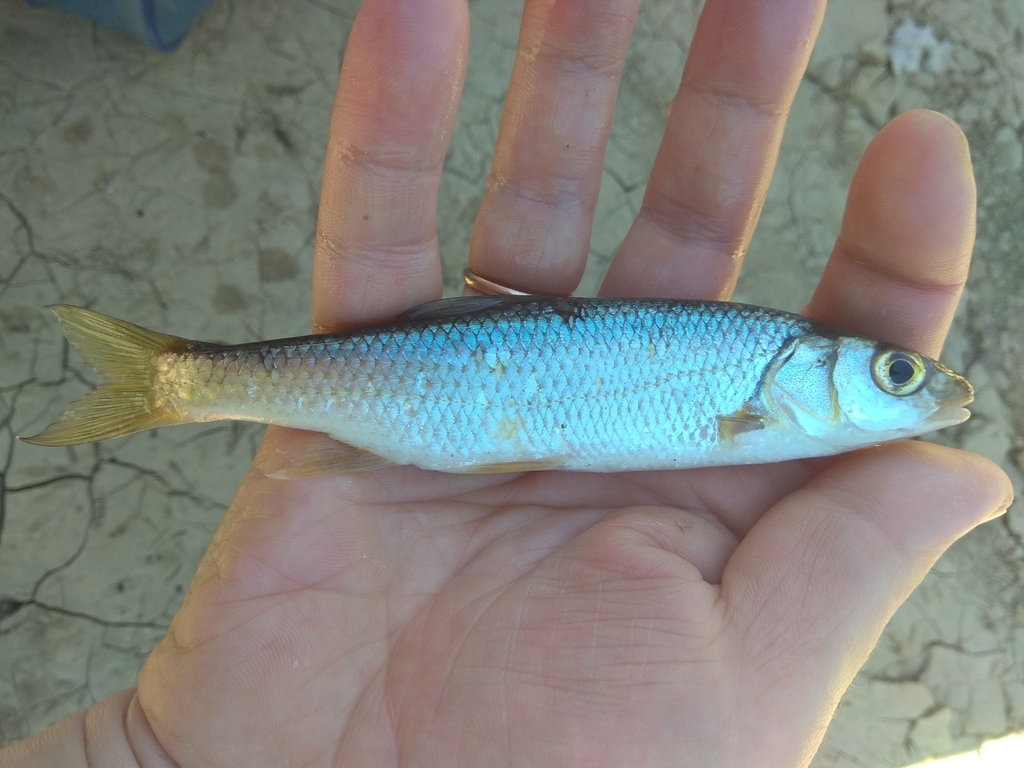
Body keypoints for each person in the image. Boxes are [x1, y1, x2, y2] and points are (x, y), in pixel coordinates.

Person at [1, 0, 1012, 766]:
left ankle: (181, 381)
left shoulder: (778, 410)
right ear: (815, 368)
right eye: (893, 372)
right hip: (444, 398)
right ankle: (181, 381)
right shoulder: (758, 404)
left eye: (902, 374)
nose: (917, 387)